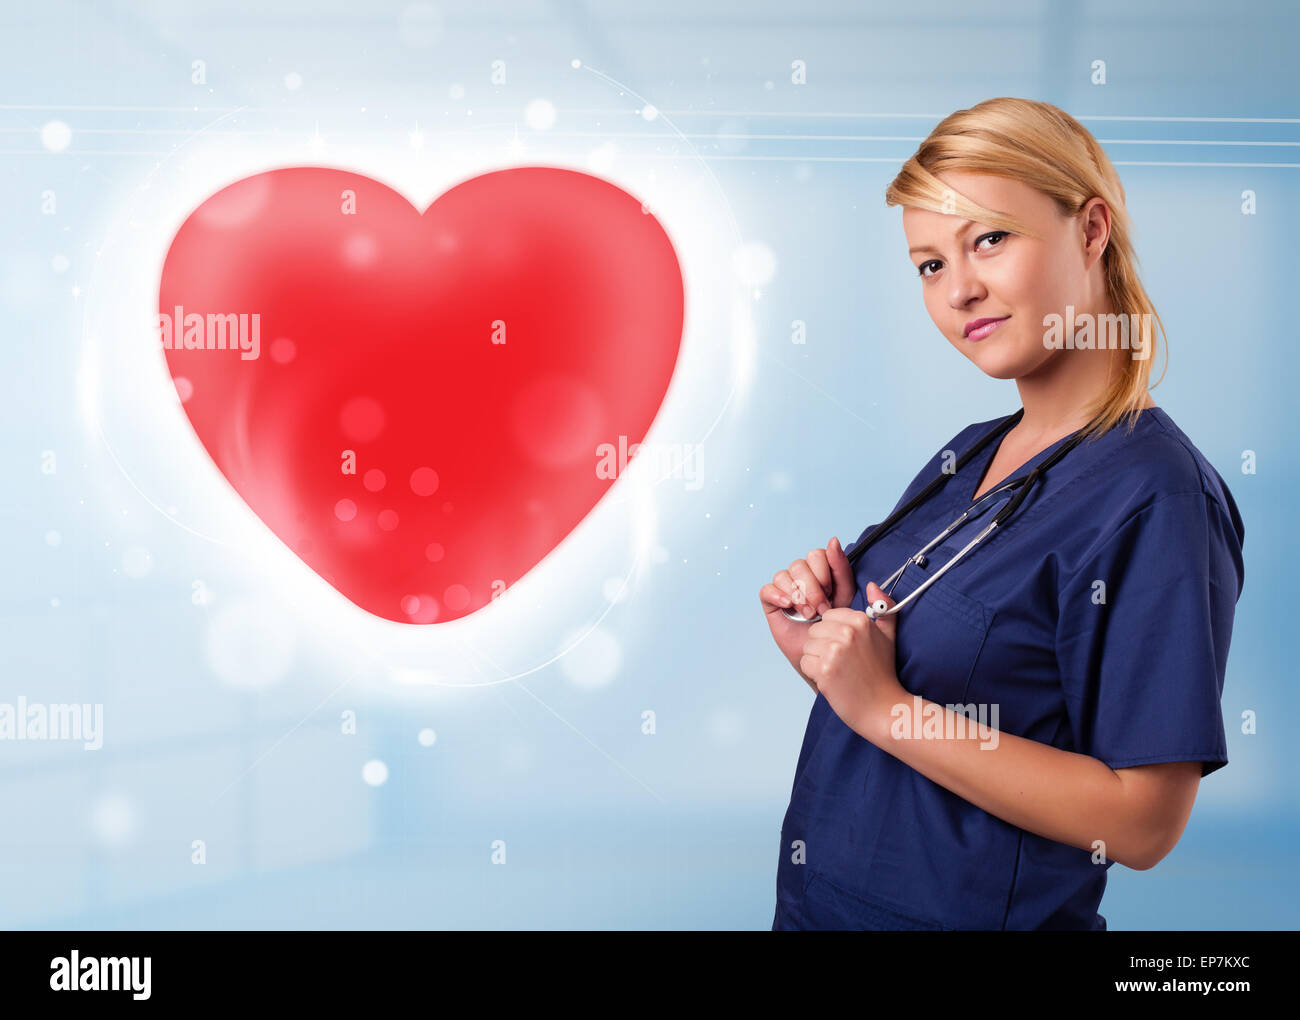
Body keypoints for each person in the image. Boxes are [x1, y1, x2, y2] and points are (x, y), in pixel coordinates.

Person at [760, 97, 1245, 931]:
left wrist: (884, 708)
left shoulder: (1157, 496)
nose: (961, 290)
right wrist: (823, 644)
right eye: (929, 265)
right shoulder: (973, 453)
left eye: (989, 239)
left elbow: (1142, 823)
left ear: (1092, 230)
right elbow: (918, 667)